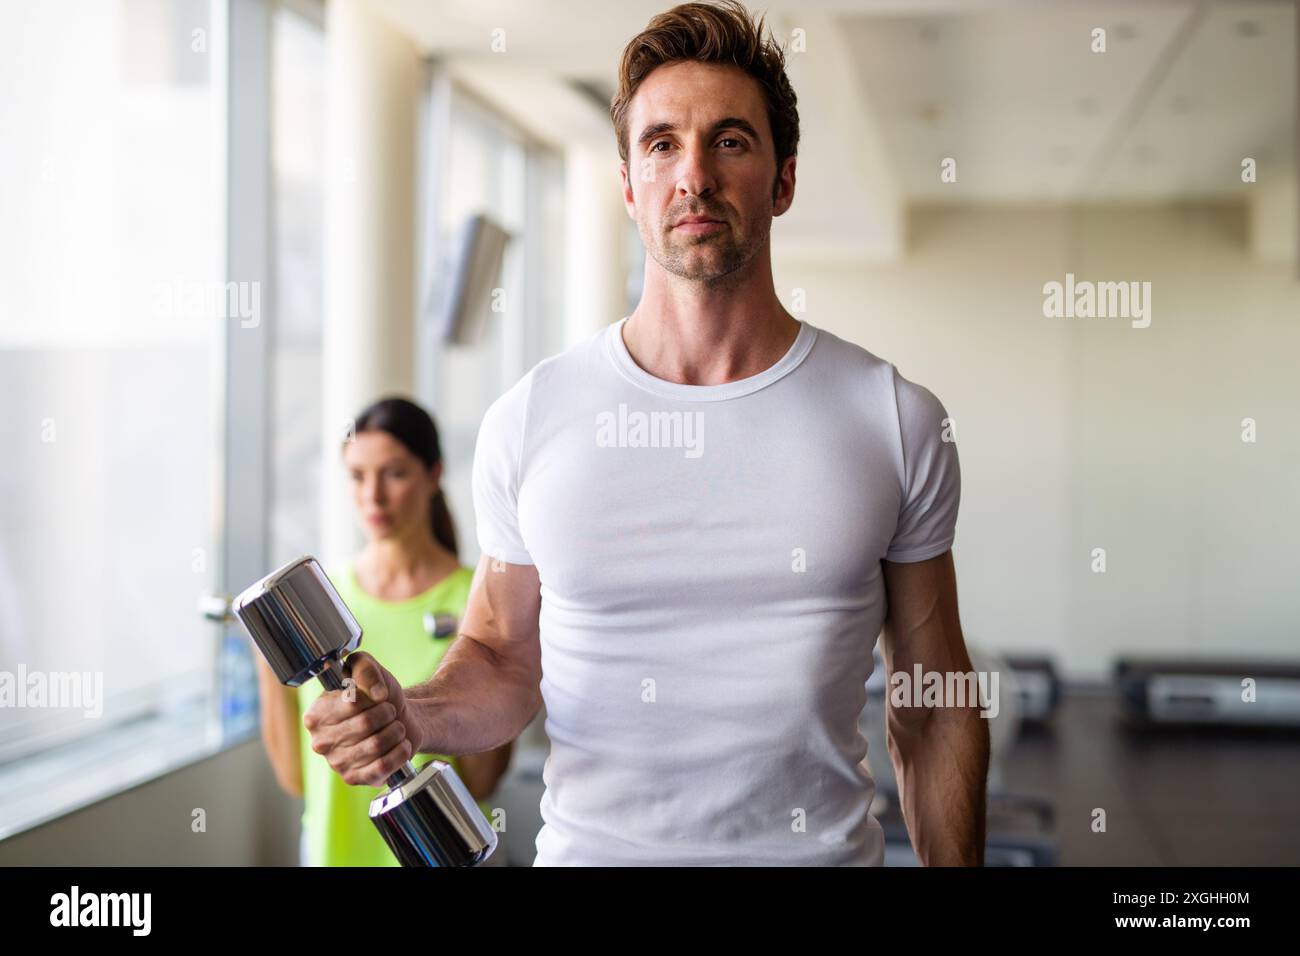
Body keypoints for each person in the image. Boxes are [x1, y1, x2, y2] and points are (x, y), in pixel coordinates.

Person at [303, 0, 989, 866]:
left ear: (782, 180)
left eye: (730, 141)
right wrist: (412, 711)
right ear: (629, 184)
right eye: (662, 144)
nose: (693, 175)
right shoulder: (533, 417)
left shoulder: (891, 417)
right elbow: (505, 661)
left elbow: (932, 703)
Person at [256, 396, 514, 866]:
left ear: (433, 475)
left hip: (442, 852)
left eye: (394, 474)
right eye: (357, 476)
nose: (372, 496)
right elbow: (297, 779)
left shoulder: (476, 604)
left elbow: (482, 781)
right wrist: (267, 659)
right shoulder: (314, 608)